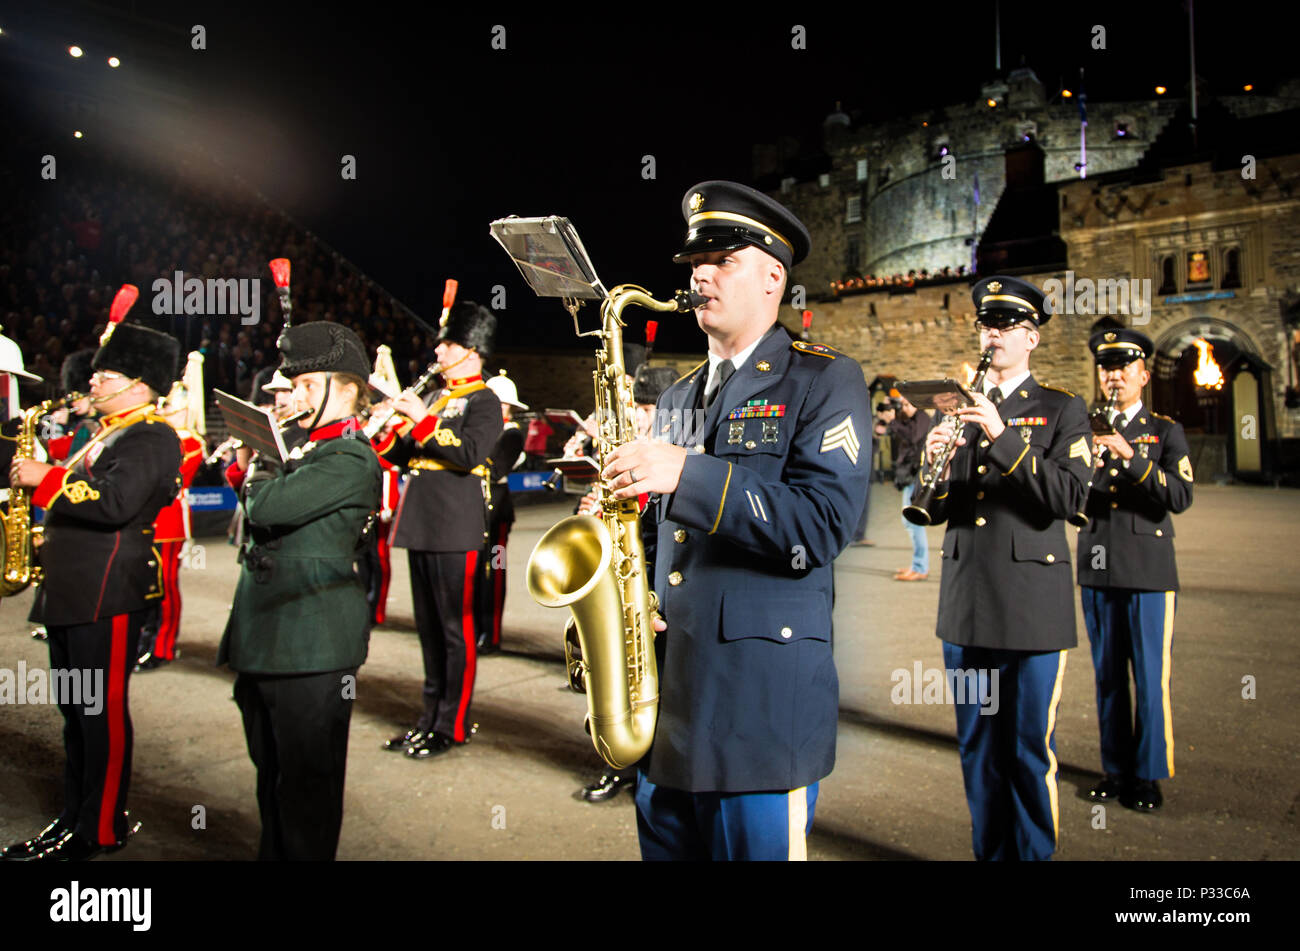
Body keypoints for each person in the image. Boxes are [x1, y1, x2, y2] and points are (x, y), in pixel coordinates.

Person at [601, 181, 870, 860]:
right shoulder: (680, 395)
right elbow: (665, 531)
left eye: (724, 259)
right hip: (668, 706)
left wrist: (686, 473)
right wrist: (619, 535)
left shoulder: (824, 379)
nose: (701, 274)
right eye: (696, 262)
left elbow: (823, 523)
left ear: (774, 278)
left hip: (758, 713)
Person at [920, 275, 1091, 861]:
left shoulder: (1062, 408)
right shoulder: (959, 407)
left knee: (1025, 749)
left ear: (1032, 338)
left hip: (1029, 610)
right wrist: (933, 466)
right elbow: (938, 509)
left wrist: (1000, 435)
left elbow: (1070, 499)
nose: (990, 335)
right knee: (978, 747)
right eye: (984, 325)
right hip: (967, 604)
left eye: (1004, 326)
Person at [3, 321, 182, 861]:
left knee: (99, 715)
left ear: (139, 383)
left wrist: (46, 478)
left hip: (106, 593)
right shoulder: (110, 431)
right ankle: (72, 816)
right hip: (73, 590)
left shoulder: (152, 435)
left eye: (106, 374)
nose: (93, 382)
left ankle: (100, 827)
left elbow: (115, 502)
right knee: (76, 715)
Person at [217, 321, 382, 861]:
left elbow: (264, 507)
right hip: (267, 638)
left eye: (310, 385)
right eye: (297, 384)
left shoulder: (353, 457)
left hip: (312, 646)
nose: (294, 395)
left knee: (307, 793)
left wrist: (258, 461)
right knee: (272, 781)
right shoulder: (302, 446)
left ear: (349, 391)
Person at [378, 301, 502, 758]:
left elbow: (469, 453)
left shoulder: (484, 399)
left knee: (455, 629)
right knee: (428, 629)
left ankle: (451, 724)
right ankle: (427, 718)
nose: (439, 349)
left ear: (471, 350)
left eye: (447, 343)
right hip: (422, 519)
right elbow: (401, 456)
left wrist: (421, 420)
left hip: (456, 522)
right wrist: (387, 427)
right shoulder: (435, 397)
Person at [1077, 328, 1193, 812]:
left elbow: (1180, 496)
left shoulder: (1164, 431)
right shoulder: (1082, 426)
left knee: (1149, 675)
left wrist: (1133, 458)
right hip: (1098, 567)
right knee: (1107, 676)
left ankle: (1147, 774)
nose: (1114, 376)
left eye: (1124, 367)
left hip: (1148, 571)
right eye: (1107, 368)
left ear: (1143, 375)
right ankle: (1115, 767)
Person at [577, 363, 679, 804]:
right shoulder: (622, 452)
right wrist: (591, 517)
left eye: (648, 407)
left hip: (654, 587)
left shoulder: (675, 454)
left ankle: (647, 769)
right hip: (617, 582)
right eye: (635, 406)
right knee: (614, 680)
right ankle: (615, 763)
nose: (639, 416)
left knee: (650, 686)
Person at [136, 370, 205, 671]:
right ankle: (144, 638)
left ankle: (164, 645)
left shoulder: (190, 442)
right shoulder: (162, 436)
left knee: (165, 586)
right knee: (145, 585)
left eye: (168, 407)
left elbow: (166, 475)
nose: (162, 411)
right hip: (145, 518)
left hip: (168, 522)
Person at [475, 370, 527, 655]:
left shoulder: (512, 434)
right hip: (475, 510)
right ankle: (474, 630)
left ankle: (491, 634)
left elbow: (495, 469)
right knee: (474, 574)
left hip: (498, 515)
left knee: (495, 573)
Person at [879, 394, 933, 580]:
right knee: (909, 522)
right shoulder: (909, 419)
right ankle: (918, 565)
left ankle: (920, 567)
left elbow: (912, 438)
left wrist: (893, 421)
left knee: (913, 522)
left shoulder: (924, 418)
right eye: (903, 405)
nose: (905, 408)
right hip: (907, 475)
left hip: (915, 475)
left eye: (908, 404)